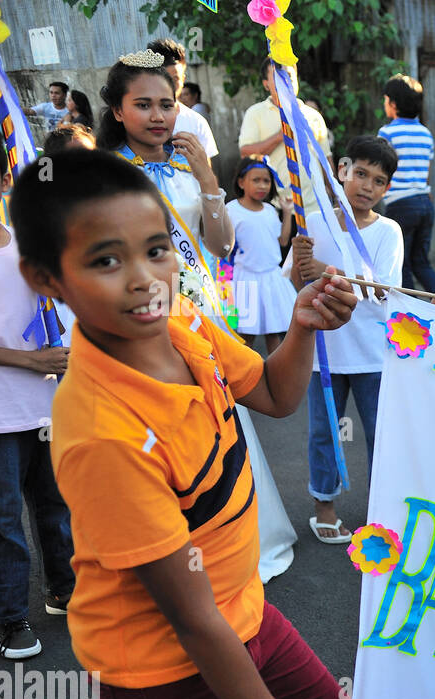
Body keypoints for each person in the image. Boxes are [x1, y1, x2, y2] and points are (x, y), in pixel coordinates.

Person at [12, 149, 364, 699]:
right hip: (159, 668)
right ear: (46, 279)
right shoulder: (101, 432)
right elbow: (189, 616)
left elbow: (274, 395)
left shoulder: (181, 326)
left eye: (156, 250)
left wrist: (302, 327)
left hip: (245, 611)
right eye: (106, 261)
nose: (145, 280)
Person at [100, 49, 297, 585]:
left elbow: (222, 243)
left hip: (202, 315)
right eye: (143, 105)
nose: (159, 115)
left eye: (166, 103)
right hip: (143, 321)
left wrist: (208, 175)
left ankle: (234, 538)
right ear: (118, 111)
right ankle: (173, 552)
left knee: (219, 420)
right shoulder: (102, 173)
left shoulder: (192, 163)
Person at [289, 136, 402, 544]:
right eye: (360, 173)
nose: (367, 186)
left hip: (373, 353)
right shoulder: (313, 222)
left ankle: (382, 510)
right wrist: (300, 258)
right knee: (326, 431)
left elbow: (383, 290)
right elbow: (295, 282)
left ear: (386, 188)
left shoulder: (389, 231)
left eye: (379, 180)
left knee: (379, 433)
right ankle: (324, 508)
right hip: (326, 352)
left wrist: (325, 268)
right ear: (341, 171)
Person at [0, 139, 74, 660]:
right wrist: (28, 361)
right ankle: (10, 618)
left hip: (47, 404)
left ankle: (64, 591)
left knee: (56, 505)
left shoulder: (26, 242)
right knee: (3, 520)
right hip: (1, 411)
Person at [239, 58, 332, 217]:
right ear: (266, 84)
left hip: (316, 207)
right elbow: (246, 153)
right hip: (277, 206)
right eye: (278, 77)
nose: (285, 81)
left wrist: (334, 193)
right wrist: (281, 136)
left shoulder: (313, 116)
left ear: (297, 79)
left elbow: (325, 159)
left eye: (289, 75)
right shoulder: (255, 114)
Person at [377, 73, 435, 293]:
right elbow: (427, 174)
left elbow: (381, 169)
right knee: (421, 263)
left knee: (401, 263)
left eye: (385, 100)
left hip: (400, 204)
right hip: (425, 203)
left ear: (393, 104)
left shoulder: (387, 133)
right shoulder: (426, 134)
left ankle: (407, 315)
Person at [227, 156, 295, 354]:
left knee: (272, 331)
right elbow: (225, 247)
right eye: (256, 180)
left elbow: (282, 241)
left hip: (271, 279)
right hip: (245, 279)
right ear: (241, 182)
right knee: (246, 334)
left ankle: (274, 375)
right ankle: (248, 373)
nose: (262, 185)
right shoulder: (231, 209)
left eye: (266, 180)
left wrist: (288, 213)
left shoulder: (270, 210)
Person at [147, 39, 218, 162]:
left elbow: (206, 171)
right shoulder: (136, 121)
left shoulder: (196, 122)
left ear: (183, 79)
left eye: (175, 79)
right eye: (164, 79)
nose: (169, 85)